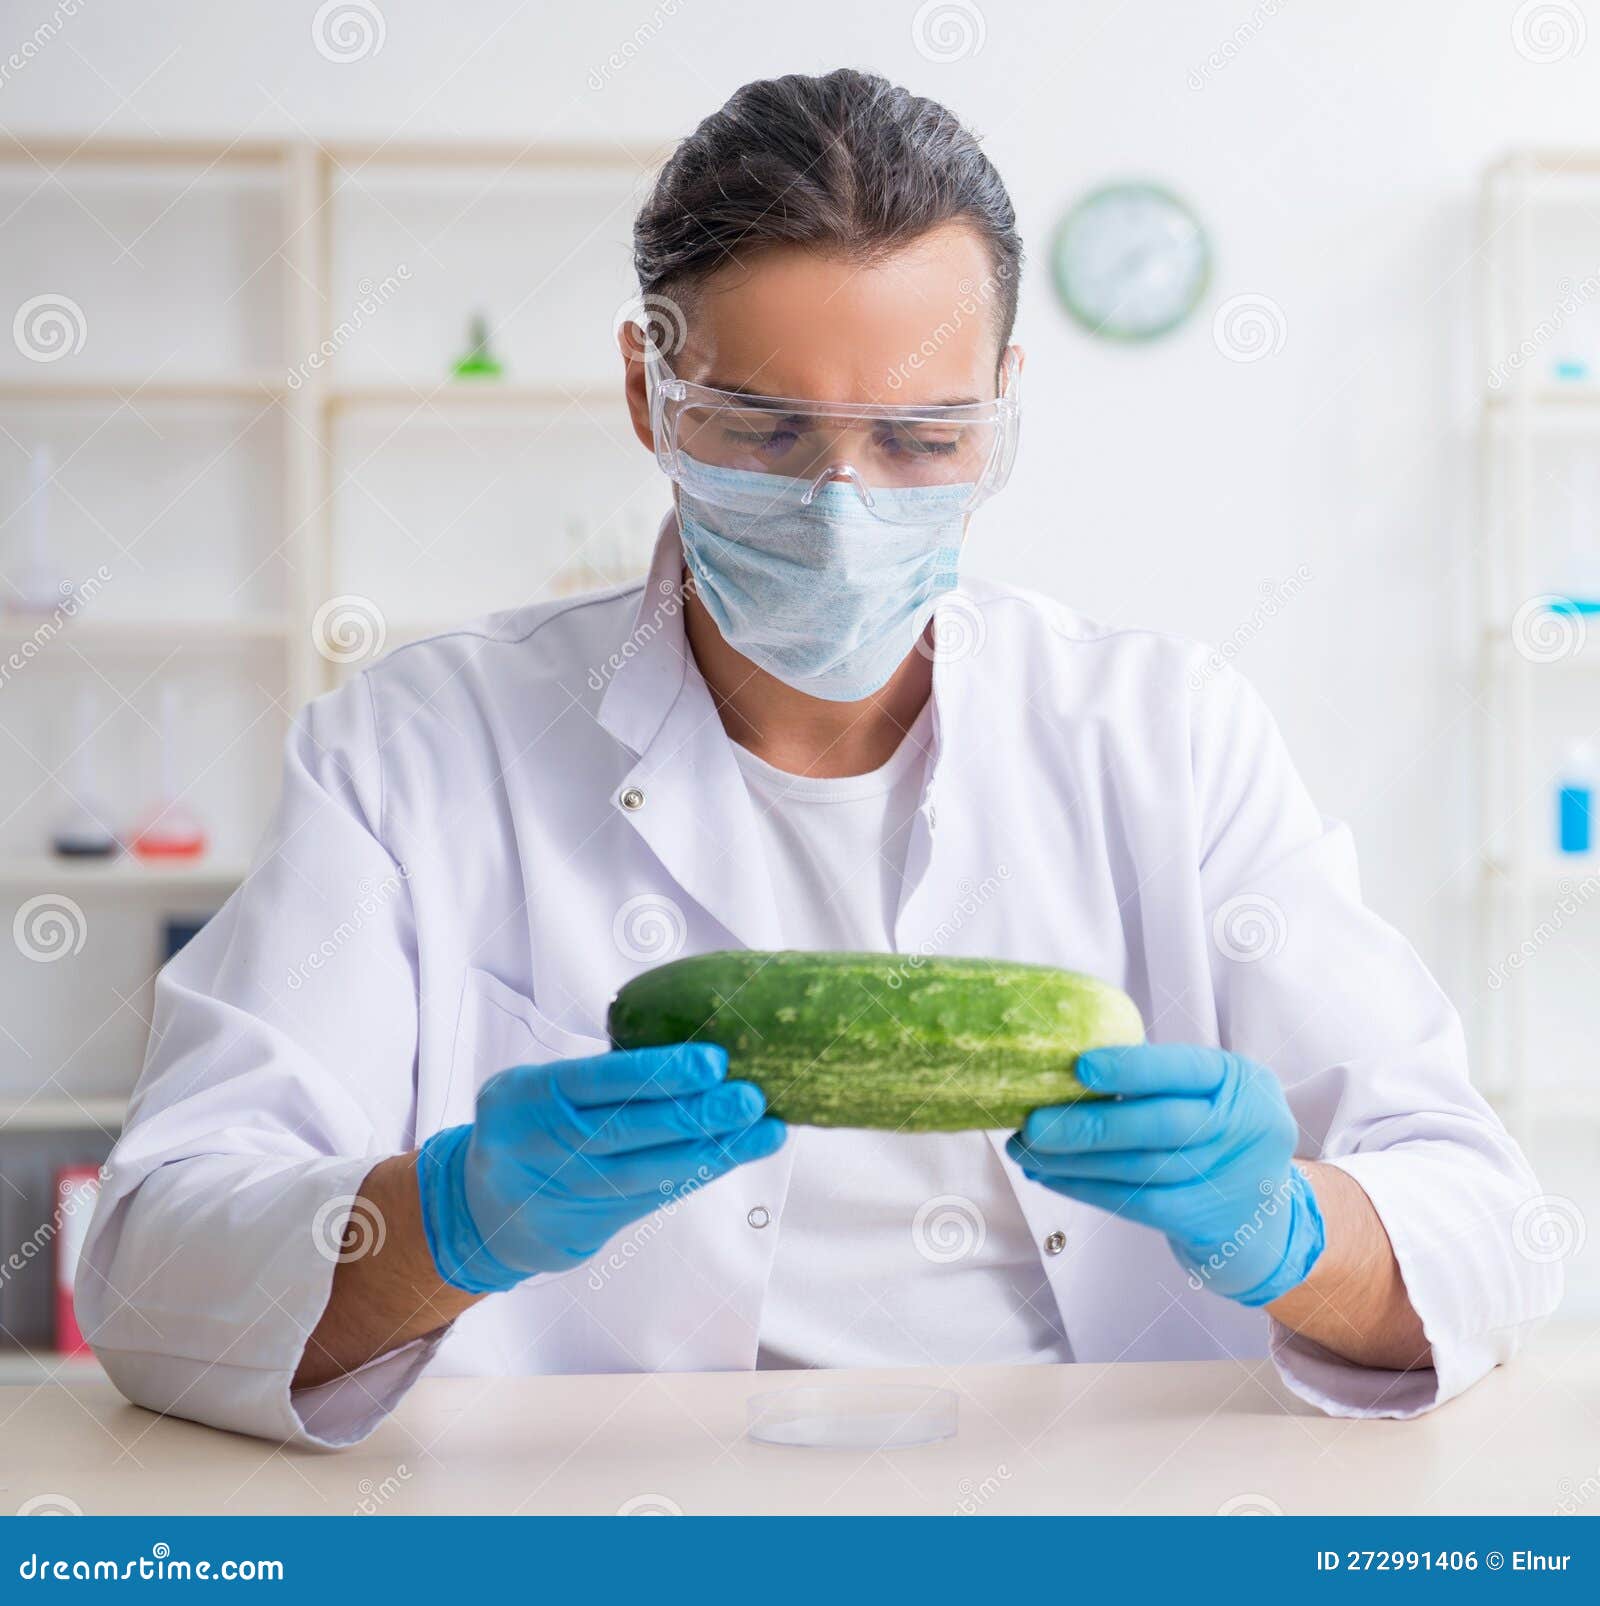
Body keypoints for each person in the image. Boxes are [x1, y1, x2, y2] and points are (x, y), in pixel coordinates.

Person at [79, 69, 1556, 1448]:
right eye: (768, 431)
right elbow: (151, 1273)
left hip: (1089, 1496)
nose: (843, 507)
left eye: (920, 439)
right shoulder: (414, 751)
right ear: (650, 393)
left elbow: (1488, 1227)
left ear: (1003, 405)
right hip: (599, 1511)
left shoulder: (1167, 732)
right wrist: (447, 1217)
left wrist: (1288, 1229)